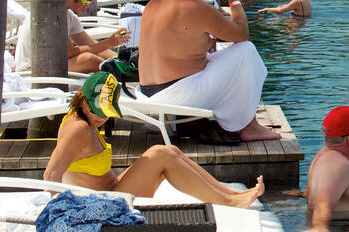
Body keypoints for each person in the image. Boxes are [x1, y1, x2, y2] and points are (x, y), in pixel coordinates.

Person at [44, 72, 264, 207]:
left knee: (169, 152)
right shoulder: (78, 128)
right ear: (83, 98)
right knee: (161, 154)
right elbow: (51, 173)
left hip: (111, 192)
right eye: (98, 110)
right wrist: (57, 213)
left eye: (107, 112)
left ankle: (231, 195)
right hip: (104, 203)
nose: (102, 117)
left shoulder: (80, 118)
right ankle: (229, 202)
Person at [138, 0, 280, 141]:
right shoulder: (198, 8)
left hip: (146, 93)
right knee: (247, 51)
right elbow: (241, 34)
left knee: (220, 54)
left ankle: (235, 119)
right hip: (175, 96)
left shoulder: (153, 5)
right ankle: (248, 125)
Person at [296, 106, 349, 232]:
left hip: (342, 228)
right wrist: (320, 228)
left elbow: (314, 194)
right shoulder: (337, 164)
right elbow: (322, 206)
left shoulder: (324, 156)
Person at [65, 0, 128, 72]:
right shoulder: (57, 15)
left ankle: (124, 68)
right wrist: (109, 42)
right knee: (89, 60)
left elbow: (88, 43)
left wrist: (119, 59)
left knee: (95, 57)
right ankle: (119, 76)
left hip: (60, 62)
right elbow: (69, 52)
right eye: (85, 2)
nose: (86, 7)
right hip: (38, 68)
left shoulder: (69, 15)